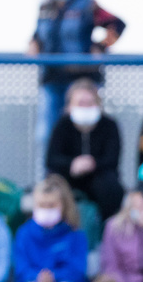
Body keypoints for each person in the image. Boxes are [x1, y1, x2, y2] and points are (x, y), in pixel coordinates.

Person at [29, 0, 126, 143]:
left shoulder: (88, 7)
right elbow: (39, 35)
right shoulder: (45, 9)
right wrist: (33, 44)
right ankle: (49, 171)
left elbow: (117, 25)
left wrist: (101, 47)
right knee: (47, 134)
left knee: (83, 131)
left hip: (82, 79)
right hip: (52, 78)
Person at [44, 78, 123, 221]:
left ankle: (107, 230)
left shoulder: (109, 125)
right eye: (80, 103)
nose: (85, 107)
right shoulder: (62, 125)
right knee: (54, 181)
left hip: (99, 177)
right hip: (70, 177)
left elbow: (112, 159)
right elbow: (51, 159)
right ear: (69, 106)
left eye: (90, 103)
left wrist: (92, 164)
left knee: (110, 185)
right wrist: (72, 164)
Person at [12, 175, 88, 282]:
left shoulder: (75, 234)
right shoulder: (24, 233)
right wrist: (38, 278)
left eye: (51, 205)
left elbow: (77, 270)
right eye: (42, 205)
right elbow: (21, 269)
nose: (46, 209)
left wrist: (53, 277)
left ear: (63, 206)